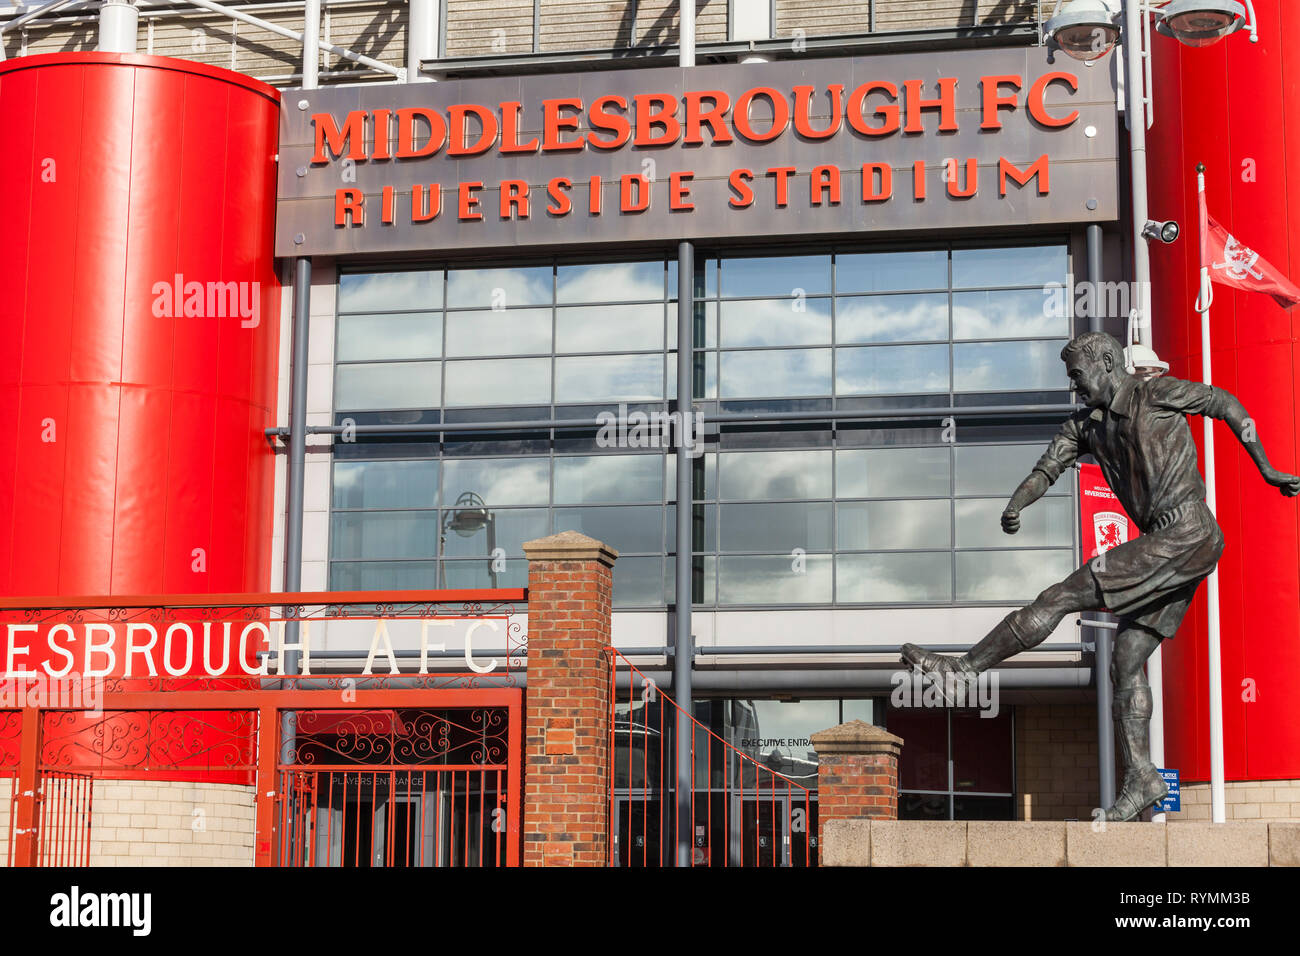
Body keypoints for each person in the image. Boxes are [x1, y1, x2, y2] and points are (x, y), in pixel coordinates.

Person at [901, 330, 1300, 821]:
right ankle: (1143, 778)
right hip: (1173, 541)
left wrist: (1267, 467)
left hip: (1187, 531)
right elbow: (1047, 469)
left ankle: (964, 669)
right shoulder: (1084, 425)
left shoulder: (1156, 392)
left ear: (1108, 362)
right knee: (1127, 659)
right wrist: (1016, 503)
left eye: (1077, 374)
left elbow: (1225, 404)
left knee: (1061, 595)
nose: (1074, 386)